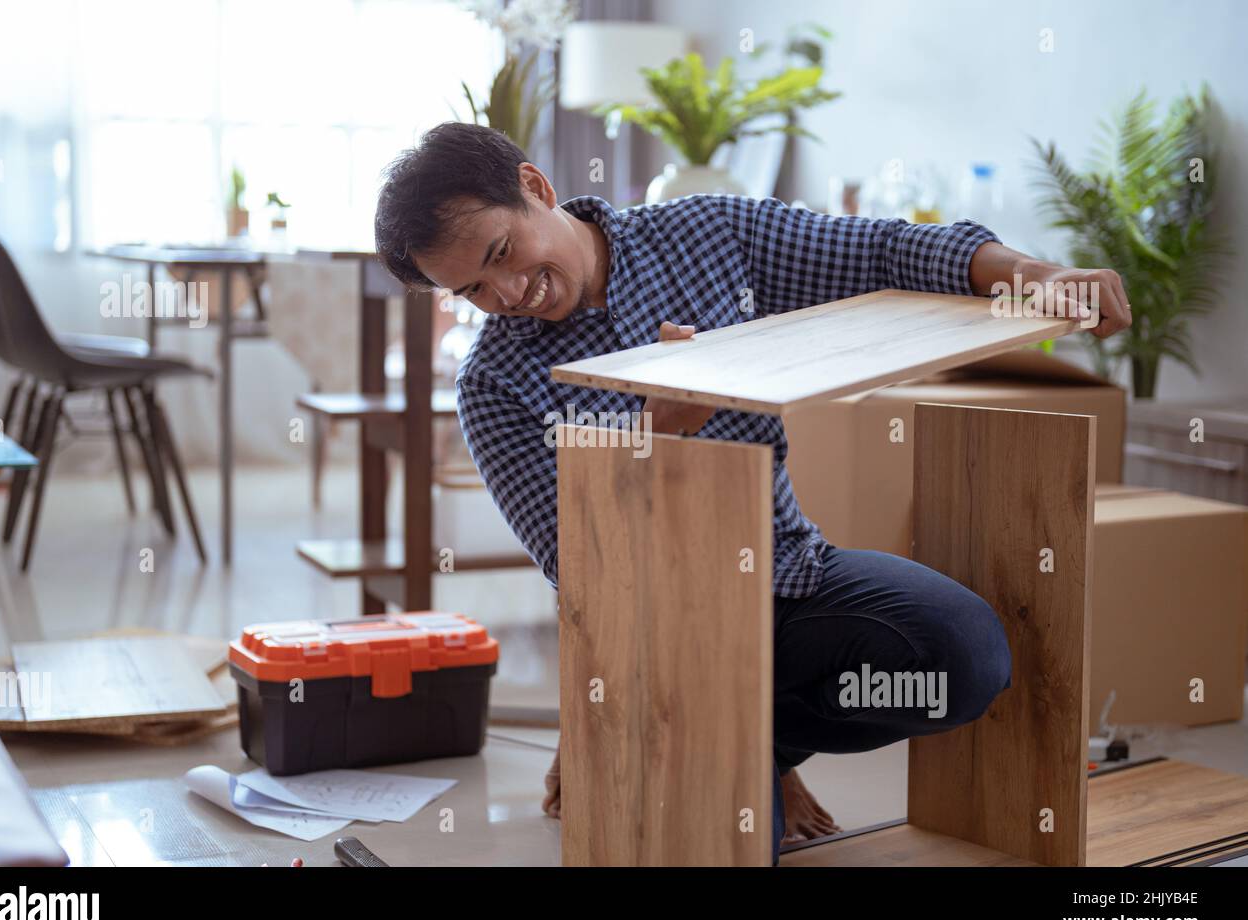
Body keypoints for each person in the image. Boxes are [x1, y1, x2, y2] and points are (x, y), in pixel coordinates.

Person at [374, 122, 1132, 865]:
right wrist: (657, 433)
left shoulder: (707, 234)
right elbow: (584, 567)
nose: (506, 292)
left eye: (502, 253)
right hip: (659, 641)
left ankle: (760, 743)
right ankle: (676, 739)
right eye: (471, 289)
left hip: (789, 578)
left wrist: (1033, 277)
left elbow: (883, 251)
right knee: (726, 846)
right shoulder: (493, 384)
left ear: (535, 187)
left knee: (960, 661)